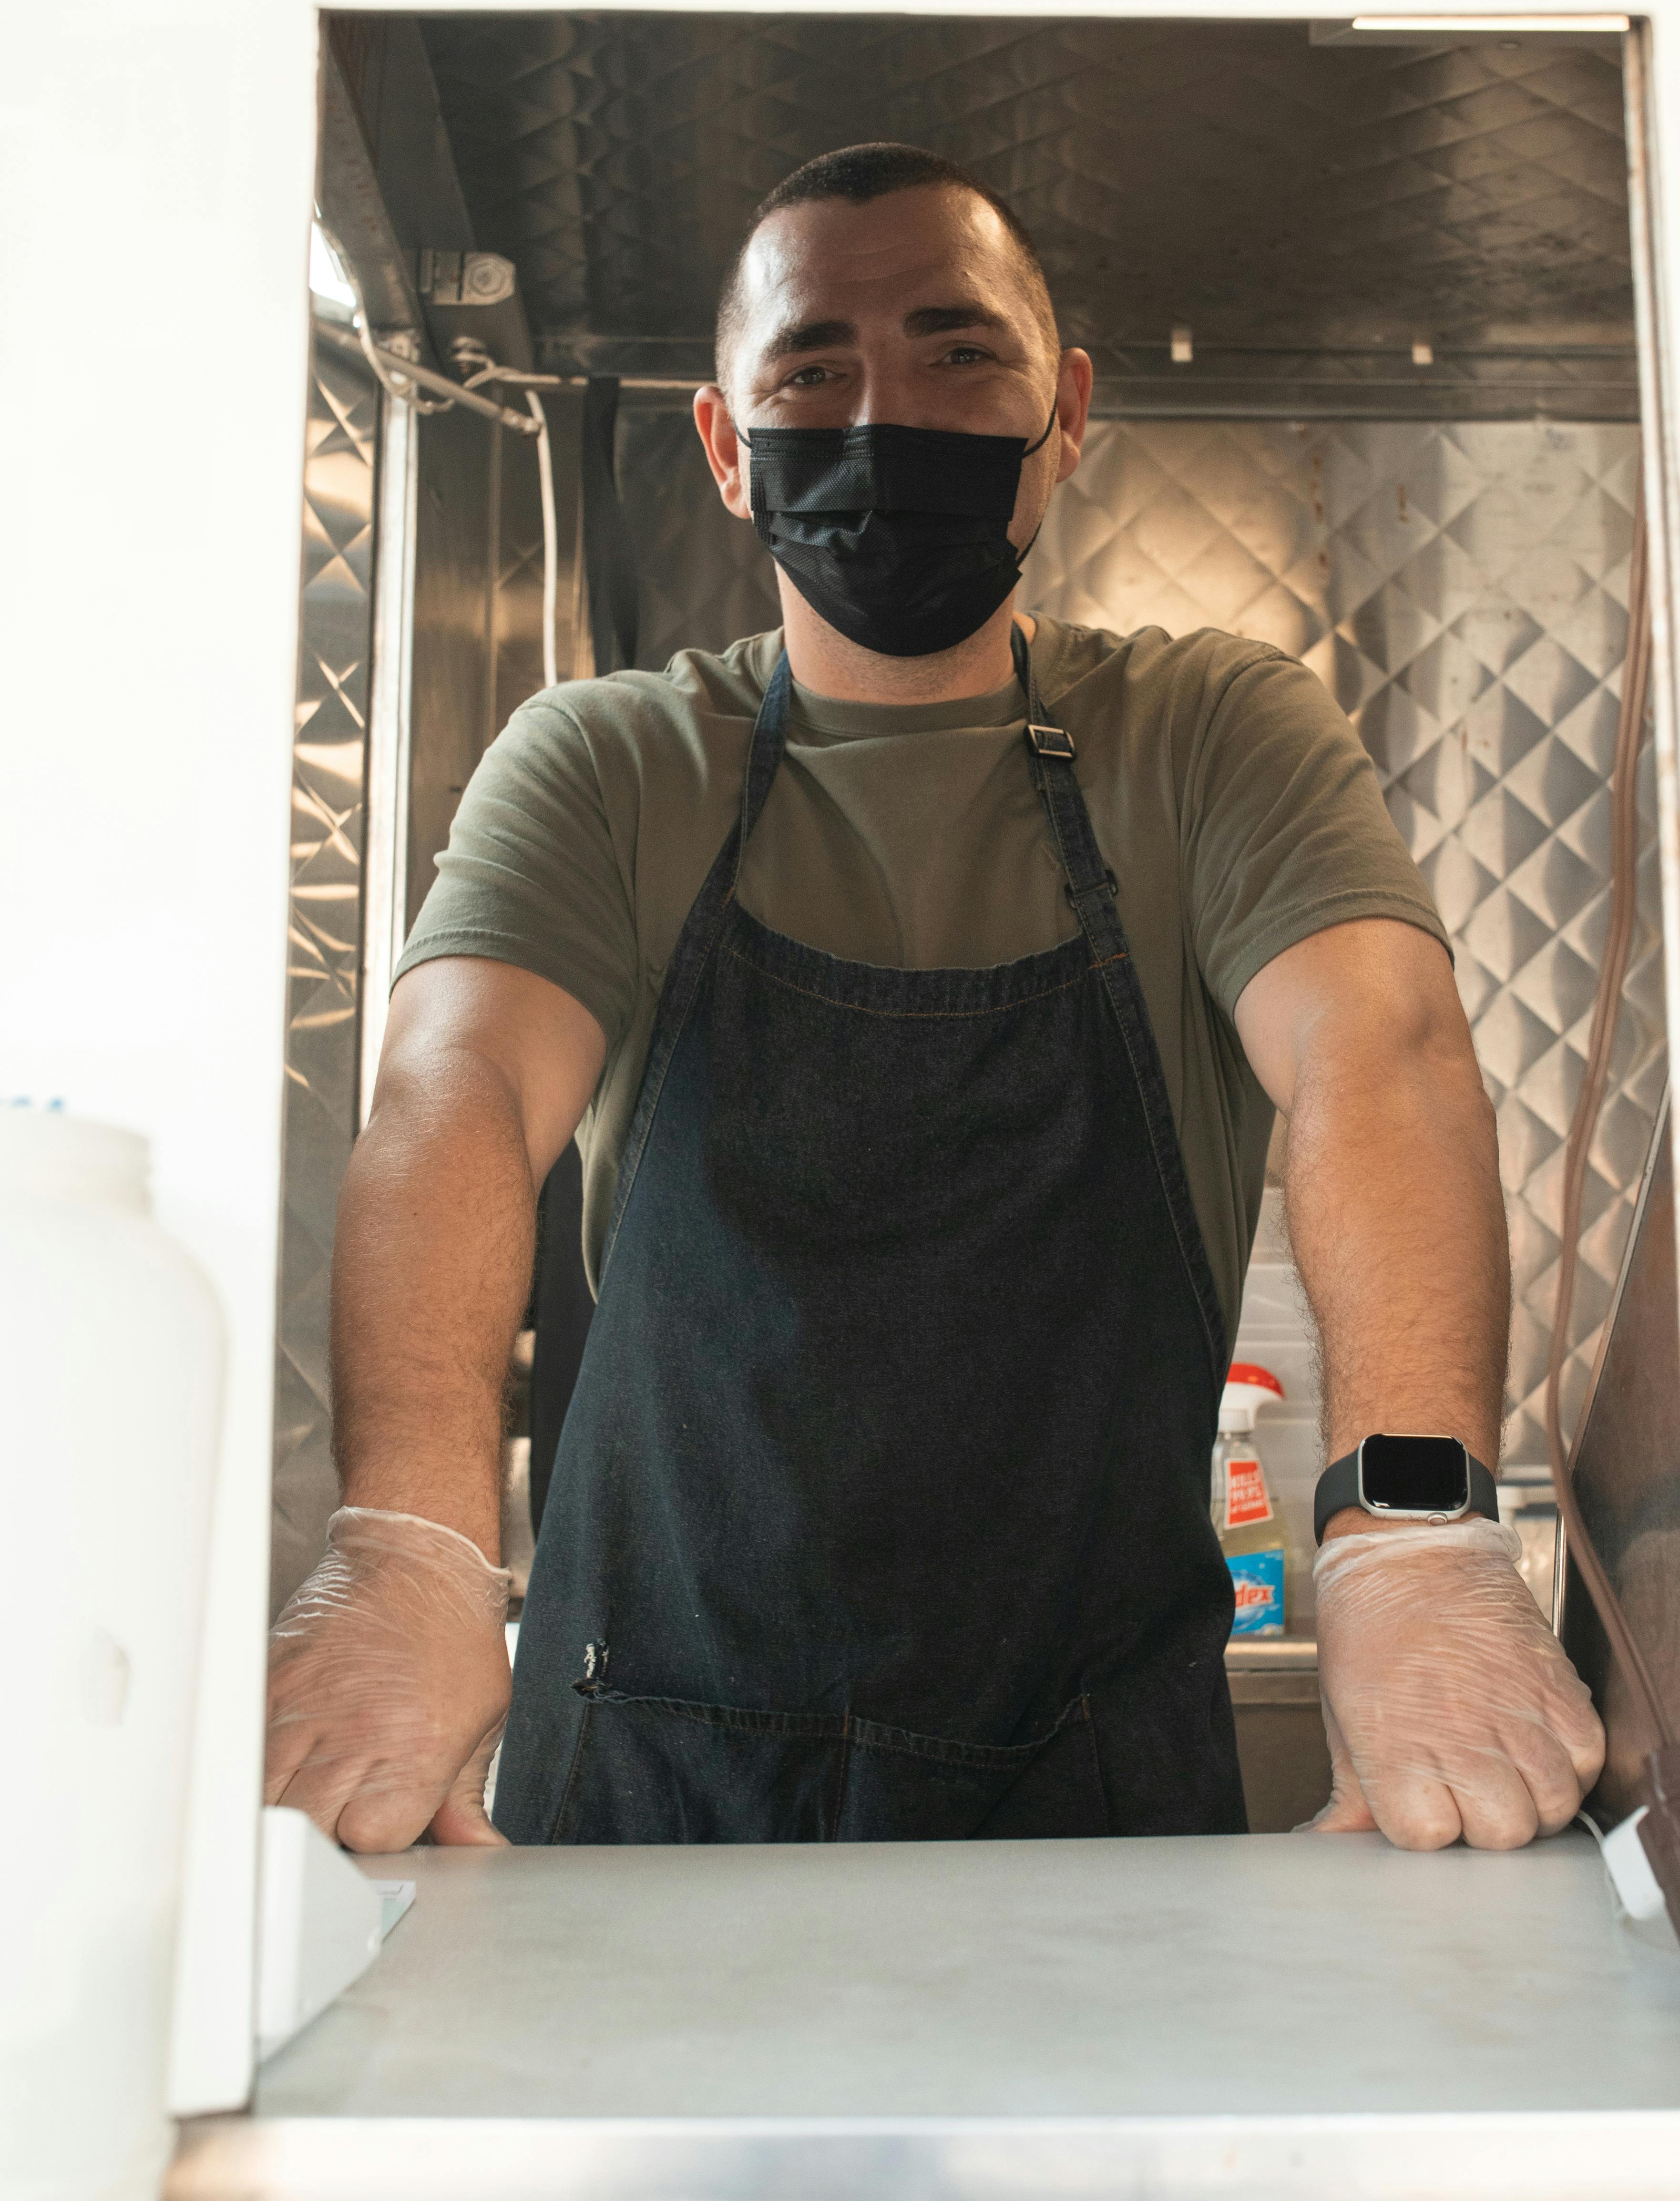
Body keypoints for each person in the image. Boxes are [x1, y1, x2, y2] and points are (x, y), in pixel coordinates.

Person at [265, 142, 1603, 1855]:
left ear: (1067, 413)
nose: (882, 416)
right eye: (813, 369)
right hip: (647, 1783)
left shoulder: (1206, 735)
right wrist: (410, 1544)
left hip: (1096, 1783)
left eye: (958, 354)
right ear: (727, 448)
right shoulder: (605, 762)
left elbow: (1384, 1057)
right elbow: (451, 1096)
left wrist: (1412, 1534)